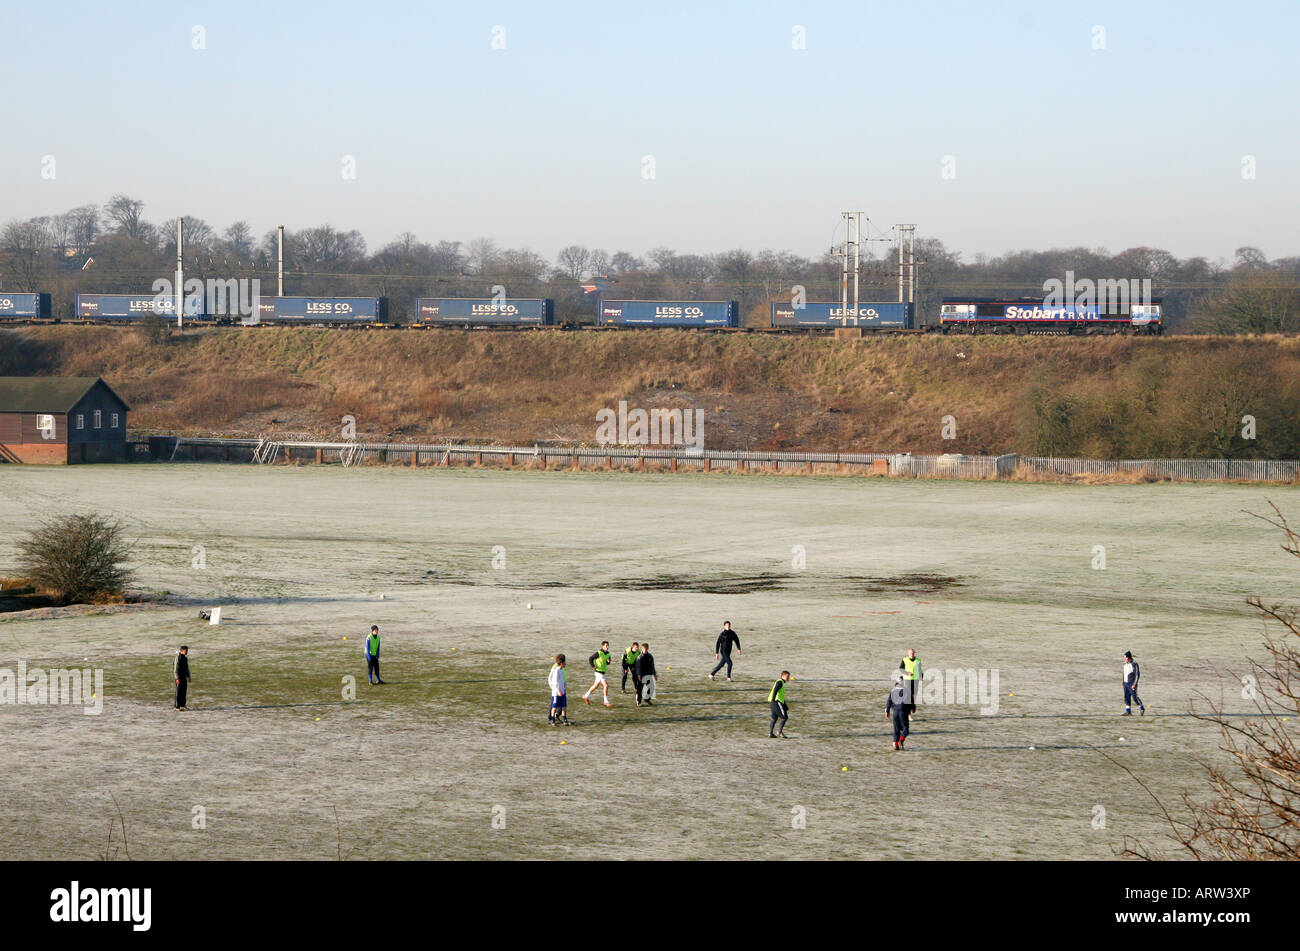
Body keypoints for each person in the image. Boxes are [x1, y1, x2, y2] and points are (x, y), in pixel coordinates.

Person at [584, 641, 614, 707]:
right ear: (602, 646)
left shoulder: (608, 654)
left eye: (608, 645)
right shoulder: (599, 652)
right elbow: (591, 658)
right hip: (598, 672)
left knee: (596, 685)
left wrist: (608, 662)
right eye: (606, 645)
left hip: (602, 672)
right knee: (606, 685)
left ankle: (586, 696)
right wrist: (593, 666)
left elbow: (608, 663)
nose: (607, 647)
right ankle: (606, 701)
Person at [886, 671, 911, 750]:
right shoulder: (906, 691)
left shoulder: (893, 691)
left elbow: (889, 701)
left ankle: (895, 744)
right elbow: (910, 702)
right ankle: (901, 740)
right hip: (903, 712)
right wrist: (911, 710)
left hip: (895, 713)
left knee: (896, 729)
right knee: (905, 729)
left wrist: (887, 711)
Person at [900, 648, 922, 721]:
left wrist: (921, 676)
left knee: (914, 697)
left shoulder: (918, 660)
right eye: (910, 653)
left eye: (913, 653)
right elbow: (901, 669)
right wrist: (907, 673)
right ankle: (909, 715)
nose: (912, 655)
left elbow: (919, 669)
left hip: (915, 680)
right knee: (908, 698)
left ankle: (913, 706)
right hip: (907, 680)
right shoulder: (905, 660)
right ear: (908, 654)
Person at [767, 670, 791, 738]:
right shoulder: (780, 682)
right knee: (784, 717)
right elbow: (775, 690)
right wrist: (774, 699)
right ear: (782, 676)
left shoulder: (781, 682)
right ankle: (779, 732)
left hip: (773, 702)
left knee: (774, 718)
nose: (788, 678)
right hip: (776, 702)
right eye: (787, 676)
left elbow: (780, 695)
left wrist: (785, 706)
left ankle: (770, 733)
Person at [548, 654, 570, 725]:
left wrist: (564, 686)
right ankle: (552, 720)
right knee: (554, 707)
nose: (565, 664)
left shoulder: (561, 670)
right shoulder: (556, 670)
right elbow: (554, 682)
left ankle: (565, 719)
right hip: (556, 693)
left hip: (562, 691)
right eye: (564, 662)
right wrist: (558, 691)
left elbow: (562, 680)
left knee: (564, 706)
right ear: (561, 663)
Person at [1122, 650, 1145, 716]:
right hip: (1126, 684)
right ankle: (1128, 711)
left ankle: (1142, 708)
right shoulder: (1125, 665)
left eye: (1125, 657)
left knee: (1135, 698)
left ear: (1128, 657)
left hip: (1131, 684)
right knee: (1126, 698)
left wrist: (1134, 684)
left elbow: (1137, 675)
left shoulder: (1134, 664)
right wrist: (1123, 683)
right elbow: (1124, 674)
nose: (1124, 659)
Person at [635, 642, 657, 706]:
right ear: (642, 649)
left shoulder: (650, 656)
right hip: (641, 675)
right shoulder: (639, 657)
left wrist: (654, 674)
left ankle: (647, 699)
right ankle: (638, 702)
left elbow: (652, 665)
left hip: (648, 674)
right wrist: (639, 675)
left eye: (646, 649)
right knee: (640, 689)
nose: (645, 650)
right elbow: (638, 667)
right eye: (644, 649)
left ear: (648, 649)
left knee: (651, 687)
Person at [173, 645, 191, 711]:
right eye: (186, 651)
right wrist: (177, 678)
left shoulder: (185, 658)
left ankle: (183, 705)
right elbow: (175, 669)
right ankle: (176, 706)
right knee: (178, 692)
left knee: (184, 691)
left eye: (187, 651)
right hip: (179, 677)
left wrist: (189, 676)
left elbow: (187, 668)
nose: (187, 652)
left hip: (184, 677)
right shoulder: (177, 658)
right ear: (182, 651)